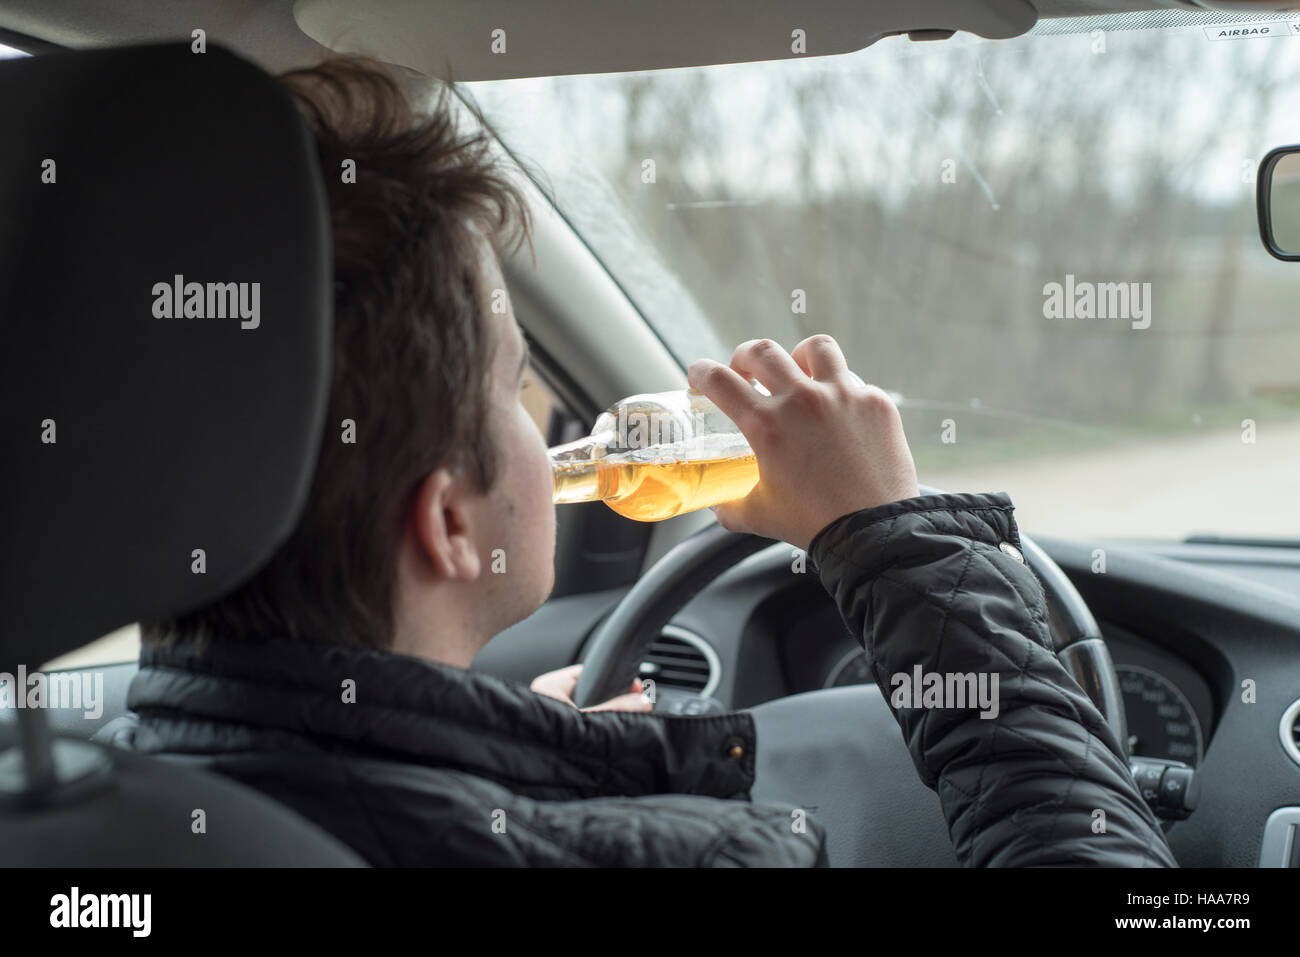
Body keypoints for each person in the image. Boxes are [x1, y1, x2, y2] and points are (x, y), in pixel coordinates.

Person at [98, 56, 1175, 867]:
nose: (555, 435)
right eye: (519, 391)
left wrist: (507, 762)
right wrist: (890, 540)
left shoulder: (86, 805)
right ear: (450, 524)